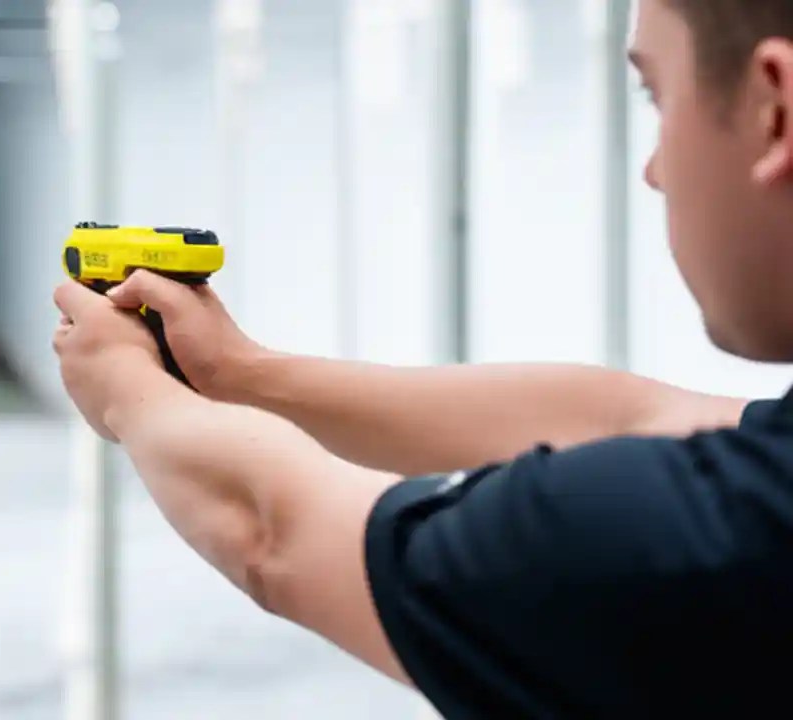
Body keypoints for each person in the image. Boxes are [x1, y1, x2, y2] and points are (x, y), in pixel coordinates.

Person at [52, 0, 793, 715]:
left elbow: (273, 537)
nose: (656, 169)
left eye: (657, 95)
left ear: (775, 111)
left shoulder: (707, 539)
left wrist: (128, 391)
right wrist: (240, 375)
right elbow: (629, 415)